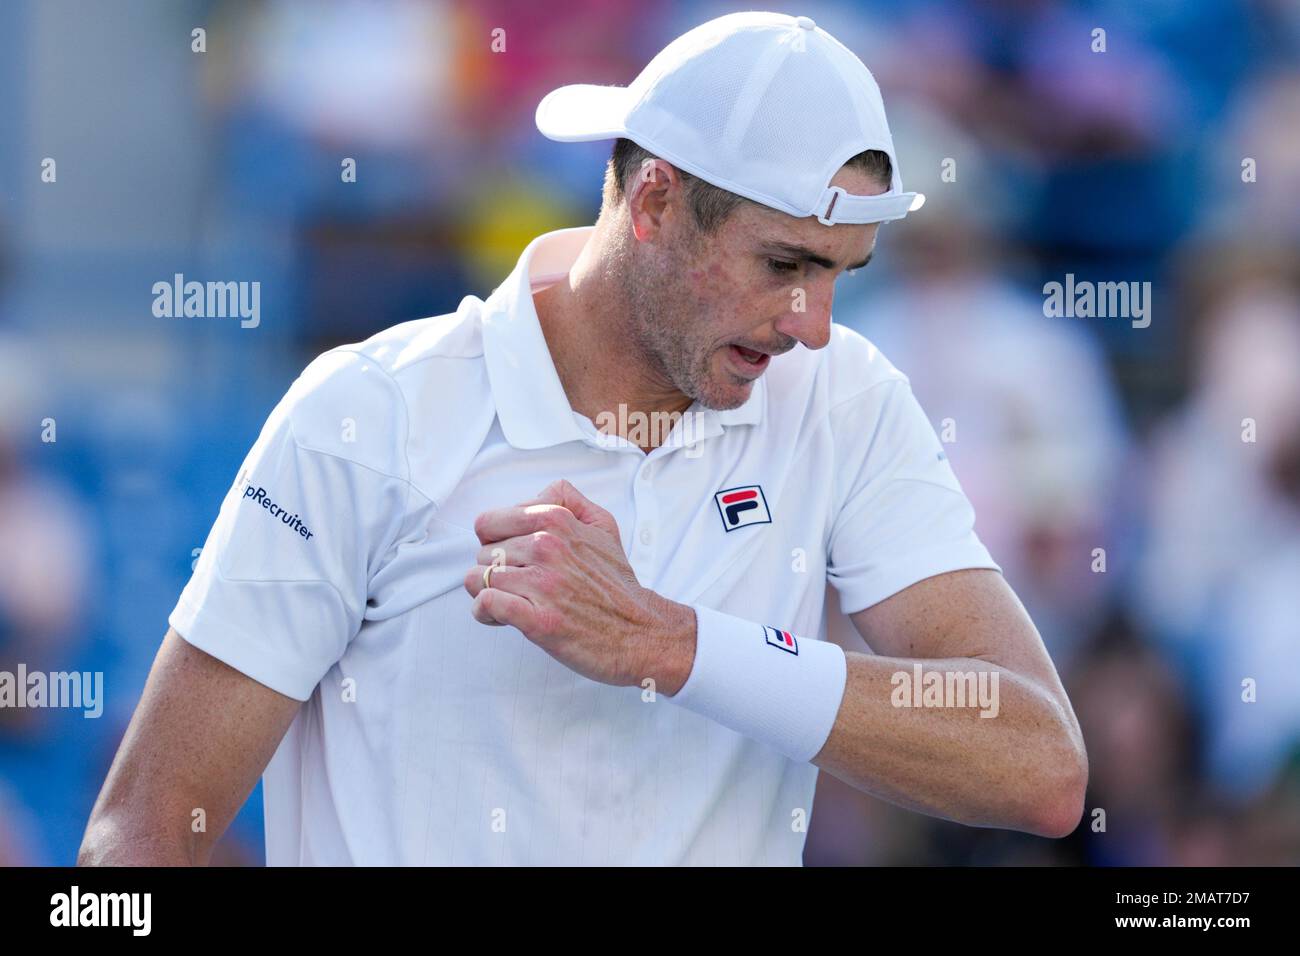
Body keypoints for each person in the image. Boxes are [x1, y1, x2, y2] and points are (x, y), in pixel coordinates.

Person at [79, 12, 1085, 866]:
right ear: (653, 200)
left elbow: (1039, 766)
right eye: (785, 262)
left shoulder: (846, 400)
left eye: (839, 273)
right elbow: (142, 835)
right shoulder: (365, 414)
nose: (813, 321)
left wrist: (674, 644)